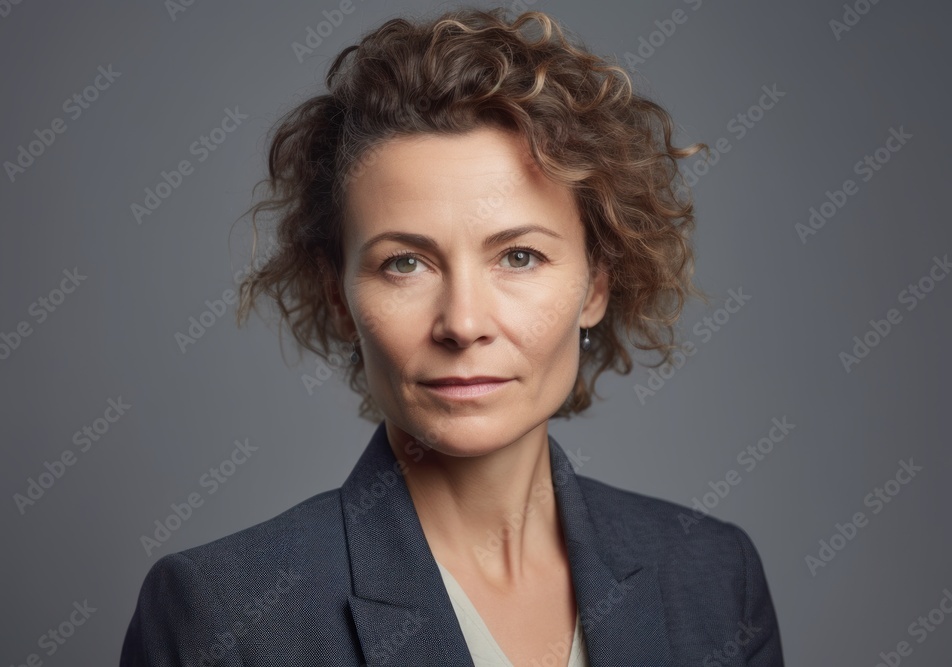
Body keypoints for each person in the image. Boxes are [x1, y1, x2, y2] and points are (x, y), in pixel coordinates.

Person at [120, 6, 785, 666]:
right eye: (404, 263)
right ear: (338, 295)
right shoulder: (224, 613)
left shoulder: (715, 580)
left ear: (597, 285)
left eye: (519, 256)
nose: (463, 323)